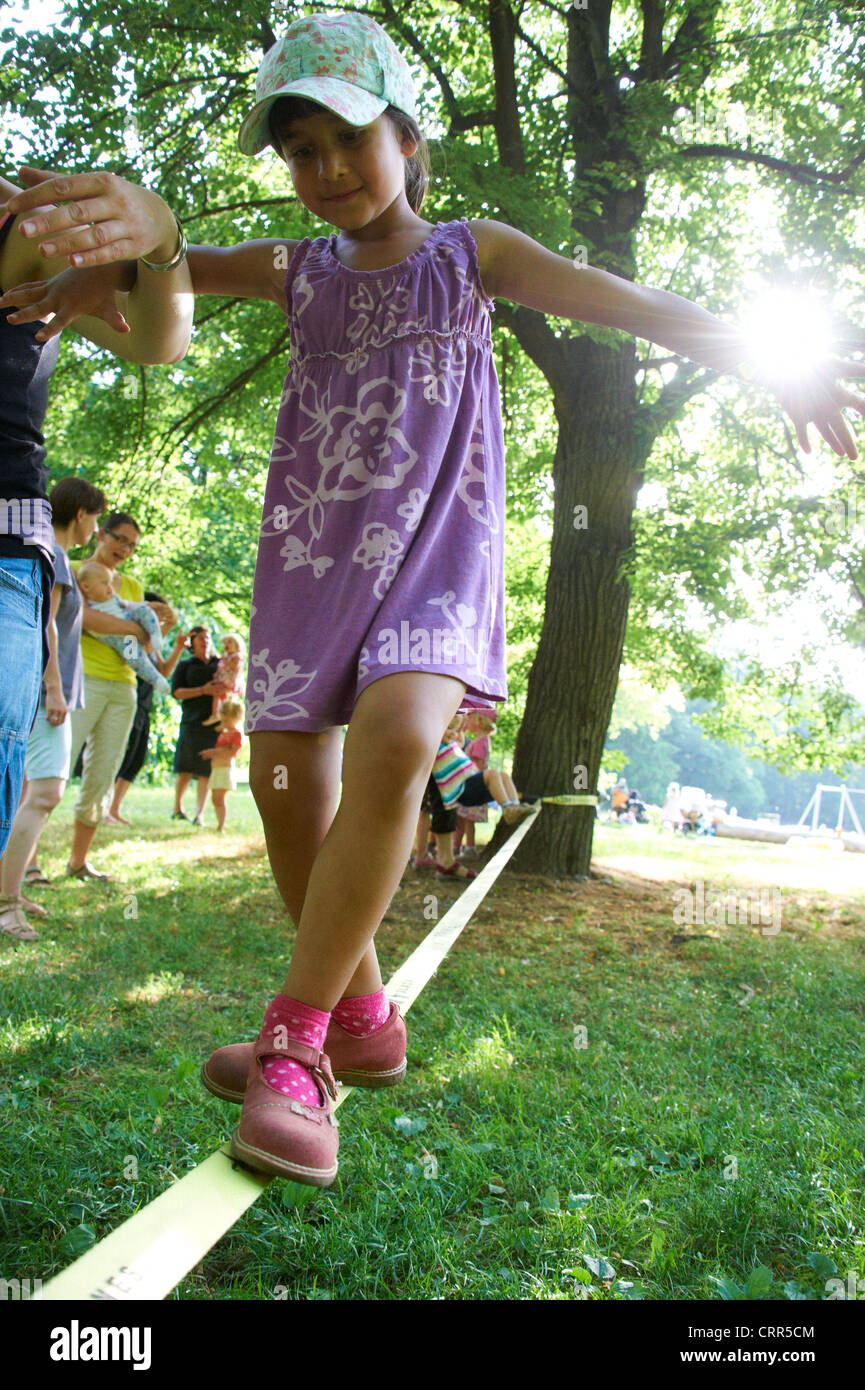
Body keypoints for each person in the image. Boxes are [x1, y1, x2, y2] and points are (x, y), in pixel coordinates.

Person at [9, 12, 863, 1188]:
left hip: (435, 557)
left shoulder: (475, 252)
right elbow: (158, 271)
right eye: (299, 152)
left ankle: (298, 1047)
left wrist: (776, 356)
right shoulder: (291, 267)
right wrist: (63, 272)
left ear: (408, 138)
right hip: (313, 552)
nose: (326, 173)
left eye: (349, 140)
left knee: (401, 743)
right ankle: (355, 1016)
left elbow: (623, 300)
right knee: (281, 784)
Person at [0, 167, 193, 869]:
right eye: (119, 536)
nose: (121, 549)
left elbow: (158, 338)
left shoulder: (26, 230)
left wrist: (160, 238)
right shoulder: (88, 570)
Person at [0, 476, 105, 939]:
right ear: (80, 514)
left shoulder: (54, 555)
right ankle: (5, 905)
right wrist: (54, 687)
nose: (95, 530)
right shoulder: (57, 556)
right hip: (48, 693)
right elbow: (46, 625)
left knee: (34, 793)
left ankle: (11, 890)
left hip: (49, 691)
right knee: (44, 793)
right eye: (96, 519)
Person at [66, 514, 177, 879]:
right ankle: (28, 863)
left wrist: (158, 627)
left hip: (124, 688)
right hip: (83, 681)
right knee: (53, 772)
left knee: (103, 774)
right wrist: (138, 625)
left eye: (132, 545)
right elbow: (86, 620)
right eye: (121, 540)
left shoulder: (131, 585)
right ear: (101, 533)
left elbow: (146, 646)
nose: (125, 550)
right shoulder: (74, 568)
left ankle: (79, 862)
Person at [104, 592, 187, 826]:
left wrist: (179, 647)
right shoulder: (129, 632)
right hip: (127, 699)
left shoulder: (151, 639)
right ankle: (103, 808)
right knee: (119, 756)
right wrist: (165, 628)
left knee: (136, 758)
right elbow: (135, 659)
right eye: (158, 615)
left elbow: (163, 670)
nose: (160, 621)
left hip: (144, 704)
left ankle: (114, 808)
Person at [75, 560, 171, 692]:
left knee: (144, 612)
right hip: (113, 645)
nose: (110, 588)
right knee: (135, 658)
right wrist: (128, 627)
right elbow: (87, 621)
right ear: (86, 587)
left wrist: (144, 607)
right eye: (104, 583)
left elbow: (128, 605)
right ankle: (156, 679)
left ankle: (156, 635)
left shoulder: (114, 597)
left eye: (110, 583)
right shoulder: (88, 606)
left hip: (124, 679)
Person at [433, 714, 534, 833]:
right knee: (492, 774)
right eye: (449, 729)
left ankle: (515, 808)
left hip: (472, 787)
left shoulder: (452, 744)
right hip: (461, 790)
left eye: (454, 730)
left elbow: (459, 739)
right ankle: (507, 808)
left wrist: (460, 726)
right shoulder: (435, 747)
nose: (453, 733)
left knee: (504, 776)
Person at [170, 626, 221, 825]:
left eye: (207, 637)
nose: (204, 640)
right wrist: (202, 691)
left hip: (214, 724)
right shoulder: (185, 666)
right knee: (185, 767)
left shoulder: (220, 663)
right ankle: (177, 808)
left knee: (206, 769)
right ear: (192, 642)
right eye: (200, 637)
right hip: (191, 721)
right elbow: (177, 692)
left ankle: (199, 814)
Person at [454, 710, 496, 859]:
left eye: (469, 719)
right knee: (462, 819)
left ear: (479, 721)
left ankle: (469, 849)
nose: (467, 722)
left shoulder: (479, 742)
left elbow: (476, 767)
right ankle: (456, 847)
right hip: (473, 784)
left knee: (467, 821)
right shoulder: (483, 740)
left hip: (473, 786)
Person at [198, 697, 244, 831]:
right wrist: (211, 753)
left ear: (236, 718)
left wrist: (214, 752)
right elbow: (220, 750)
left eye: (227, 720)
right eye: (223, 720)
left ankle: (221, 826)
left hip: (225, 769)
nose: (223, 722)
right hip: (216, 769)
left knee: (219, 798)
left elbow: (231, 752)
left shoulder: (236, 734)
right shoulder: (223, 733)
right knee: (215, 799)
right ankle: (219, 824)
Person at [202, 634, 245, 727]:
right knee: (219, 696)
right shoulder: (226, 656)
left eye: (229, 642)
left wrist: (225, 661)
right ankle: (220, 717)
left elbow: (234, 667)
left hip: (230, 682)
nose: (226, 645)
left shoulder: (236, 656)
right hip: (223, 680)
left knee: (224, 699)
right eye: (225, 643)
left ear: (237, 645)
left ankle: (219, 717)